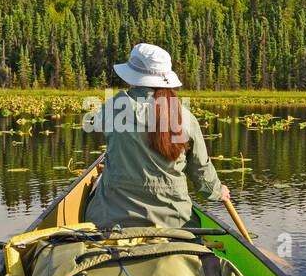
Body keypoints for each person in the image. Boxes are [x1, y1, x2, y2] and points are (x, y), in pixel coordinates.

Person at [83, 43, 229, 230]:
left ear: (132, 77)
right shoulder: (185, 117)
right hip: (174, 221)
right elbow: (201, 172)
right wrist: (217, 191)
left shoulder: (111, 109)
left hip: (112, 220)